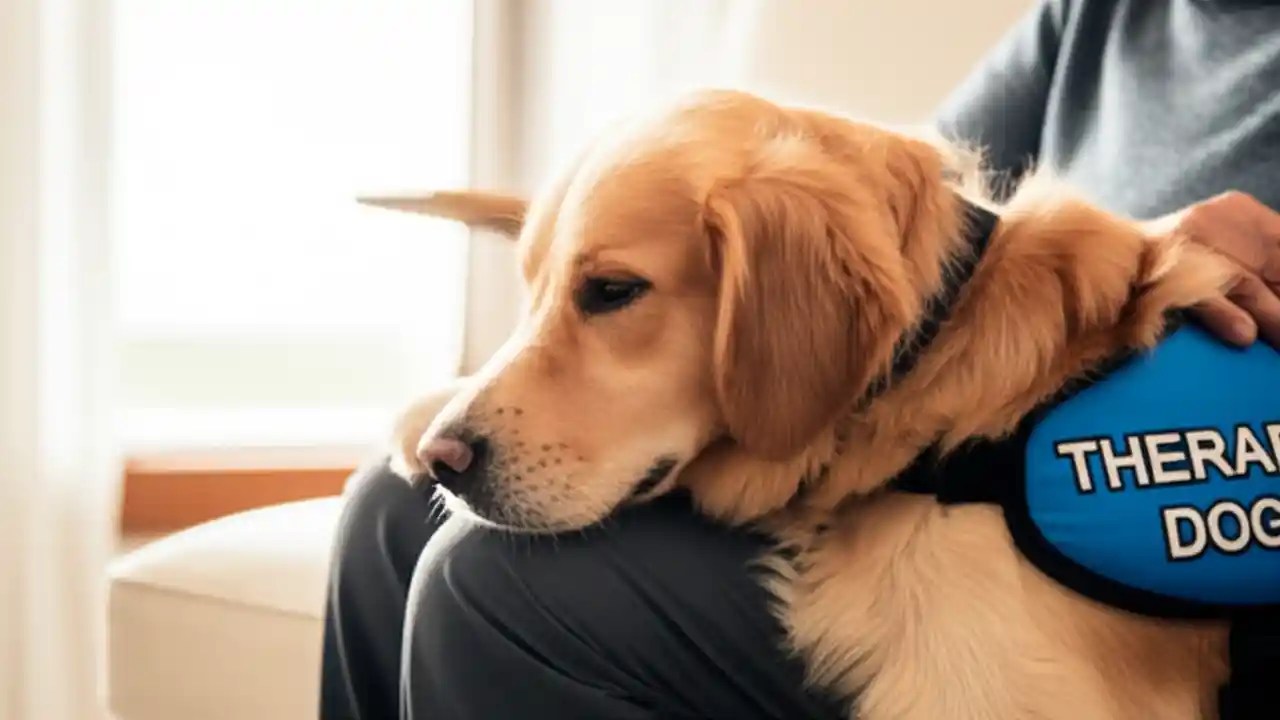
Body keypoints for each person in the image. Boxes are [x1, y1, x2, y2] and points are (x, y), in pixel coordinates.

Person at [320, 1, 1280, 717]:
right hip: (903, 466)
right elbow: (909, 219)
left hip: (1086, 543)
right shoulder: (1108, 13)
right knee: (391, 511)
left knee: (489, 583)